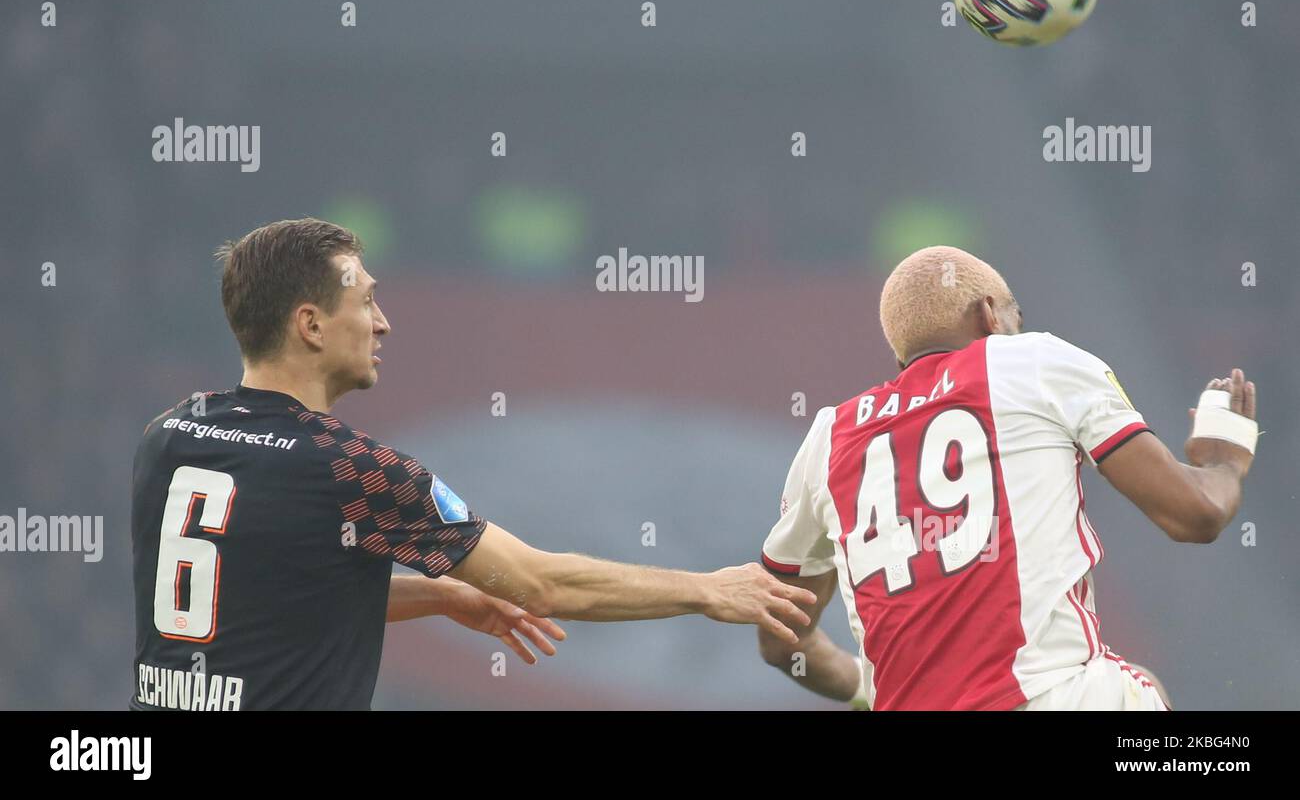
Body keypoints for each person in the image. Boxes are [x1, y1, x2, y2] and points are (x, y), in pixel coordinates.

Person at [131, 217, 814, 710]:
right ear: (310, 325)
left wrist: (439, 594)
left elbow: (264, 593)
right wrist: (707, 591)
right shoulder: (351, 470)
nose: (383, 322)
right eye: (365, 301)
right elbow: (541, 584)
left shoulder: (171, 435)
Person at [755, 245, 1257, 710]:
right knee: (1145, 691)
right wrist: (1223, 461)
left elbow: (781, 640)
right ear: (990, 314)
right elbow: (1196, 515)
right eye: (1018, 316)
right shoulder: (1033, 359)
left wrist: (863, 684)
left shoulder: (829, 435)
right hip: (1052, 698)